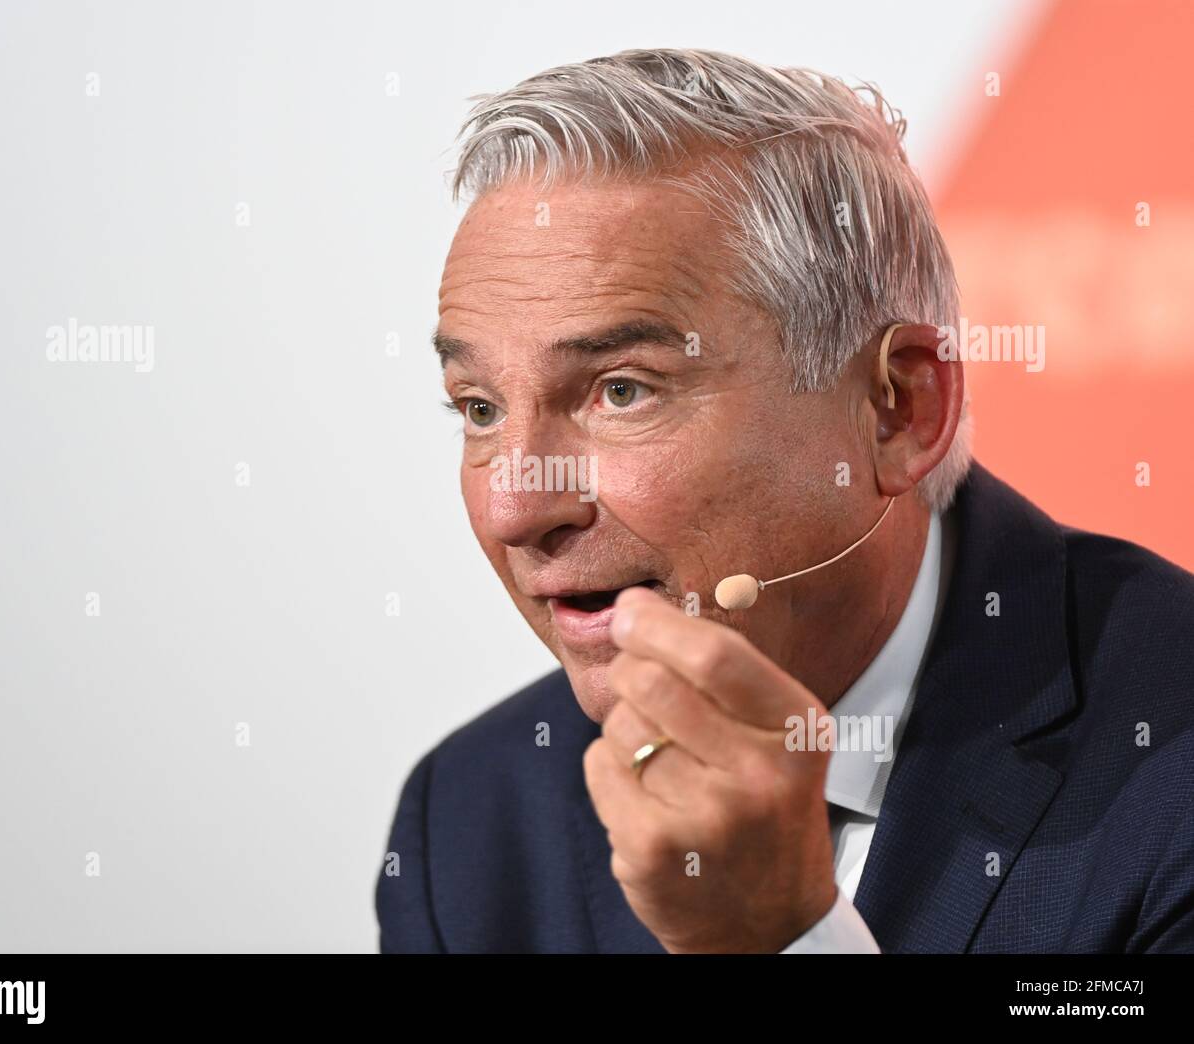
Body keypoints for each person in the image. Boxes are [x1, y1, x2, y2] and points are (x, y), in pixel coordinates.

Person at [375, 48, 1194, 953]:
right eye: (479, 409)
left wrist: (781, 940)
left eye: (621, 392)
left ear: (899, 411)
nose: (516, 511)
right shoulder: (468, 827)